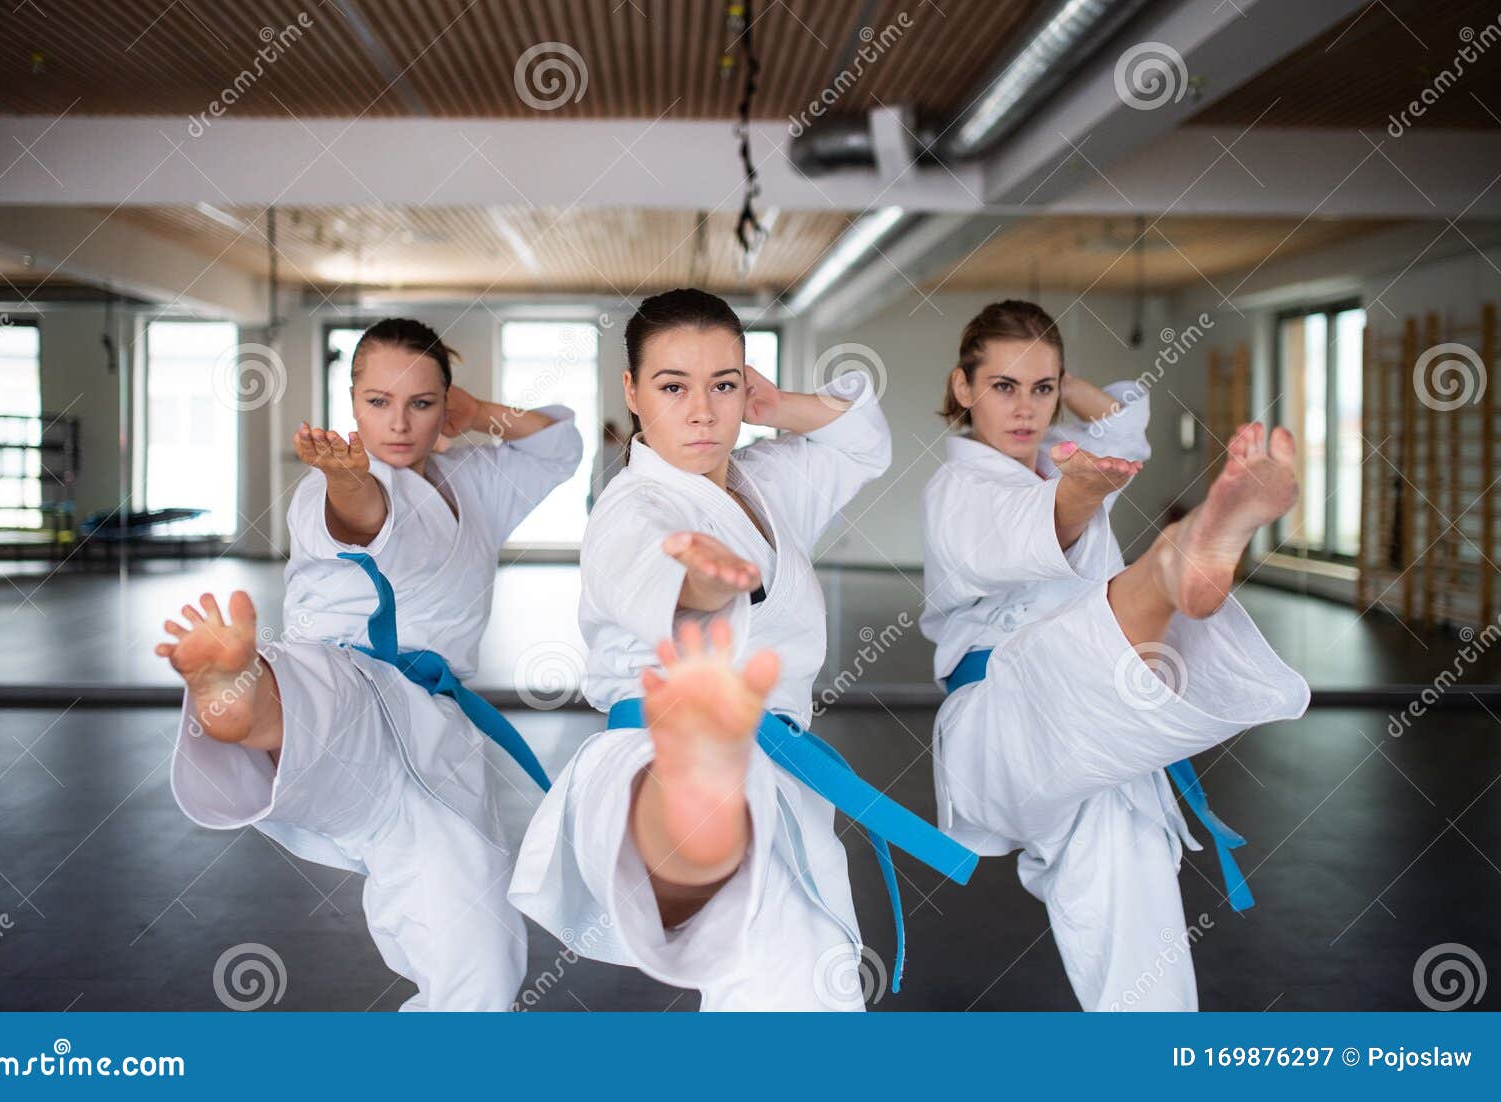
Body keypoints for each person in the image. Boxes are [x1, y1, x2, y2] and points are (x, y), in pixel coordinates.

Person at [510, 288, 973, 1011]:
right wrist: (700, 578)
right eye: (672, 386)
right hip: (657, 754)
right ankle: (698, 805)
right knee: (790, 978)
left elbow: (864, 443)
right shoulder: (633, 508)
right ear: (631, 391)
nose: (702, 411)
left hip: (775, 769)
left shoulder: (766, 479)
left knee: (810, 983)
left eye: (722, 384)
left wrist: (777, 405)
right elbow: (649, 573)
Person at [158, 318, 581, 1010]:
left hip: (432, 728)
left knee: (478, 942)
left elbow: (557, 449)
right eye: (378, 401)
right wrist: (347, 481)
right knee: (322, 702)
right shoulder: (330, 488)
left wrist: (480, 414)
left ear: (447, 406)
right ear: (351, 401)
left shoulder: (474, 483)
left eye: (422, 403)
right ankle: (241, 691)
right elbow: (367, 519)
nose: (399, 423)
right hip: (344, 674)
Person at [922, 299, 1310, 1011]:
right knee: (1072, 647)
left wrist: (1060, 395)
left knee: (1139, 919)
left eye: (1042, 388)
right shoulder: (961, 488)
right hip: (1002, 721)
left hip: (1096, 728)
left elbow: (1127, 435)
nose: (1026, 407)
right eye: (1003, 386)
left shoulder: (1061, 453)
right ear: (962, 386)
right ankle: (1169, 567)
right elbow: (1025, 528)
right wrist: (1073, 496)